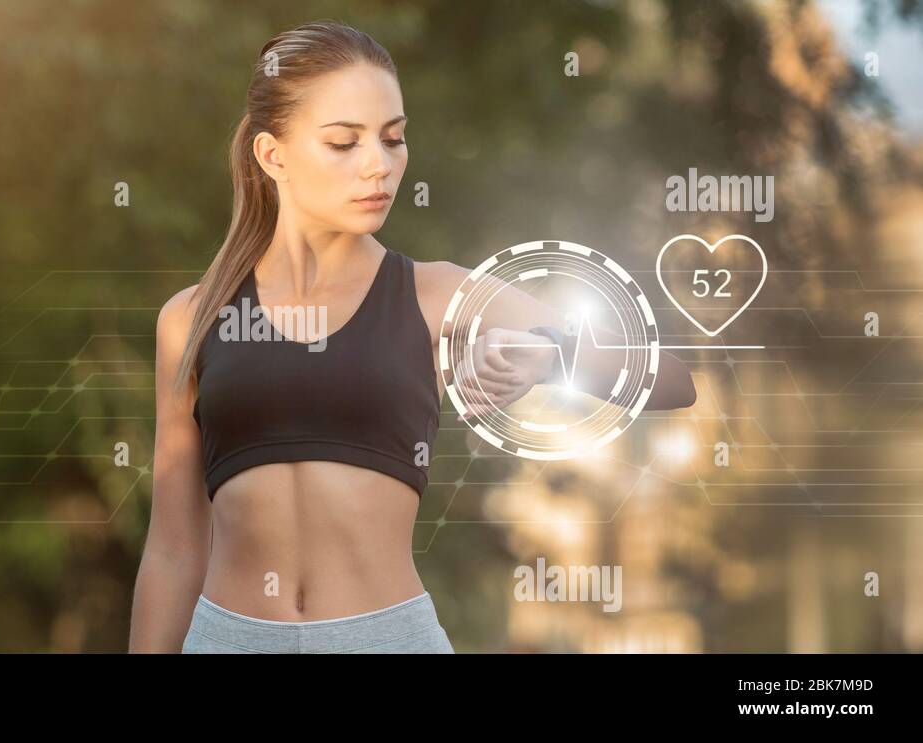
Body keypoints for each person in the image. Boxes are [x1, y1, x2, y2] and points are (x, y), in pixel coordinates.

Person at [129, 20, 697, 654]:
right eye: (344, 142)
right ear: (273, 155)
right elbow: (175, 547)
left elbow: (673, 378)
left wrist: (549, 354)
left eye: (393, 138)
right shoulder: (192, 318)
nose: (380, 165)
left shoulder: (437, 296)